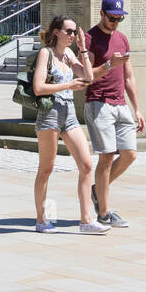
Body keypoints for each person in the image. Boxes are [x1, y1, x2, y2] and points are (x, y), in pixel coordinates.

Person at [32, 15, 107, 235]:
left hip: (69, 114)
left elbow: (88, 77)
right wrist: (68, 85)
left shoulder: (69, 54)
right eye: (69, 31)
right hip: (50, 114)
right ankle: (41, 219)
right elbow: (38, 88)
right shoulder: (46, 54)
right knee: (46, 169)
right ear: (56, 32)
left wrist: (83, 50)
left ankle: (86, 220)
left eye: (75, 32)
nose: (73, 35)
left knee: (86, 165)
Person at [84, 0, 145, 229]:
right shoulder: (90, 39)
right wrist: (109, 65)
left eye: (119, 18)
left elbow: (129, 76)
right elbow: (87, 76)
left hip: (121, 105)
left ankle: (98, 190)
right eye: (112, 18)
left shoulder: (122, 39)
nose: (116, 23)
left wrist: (137, 109)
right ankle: (104, 213)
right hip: (98, 103)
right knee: (107, 155)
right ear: (102, 14)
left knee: (129, 154)